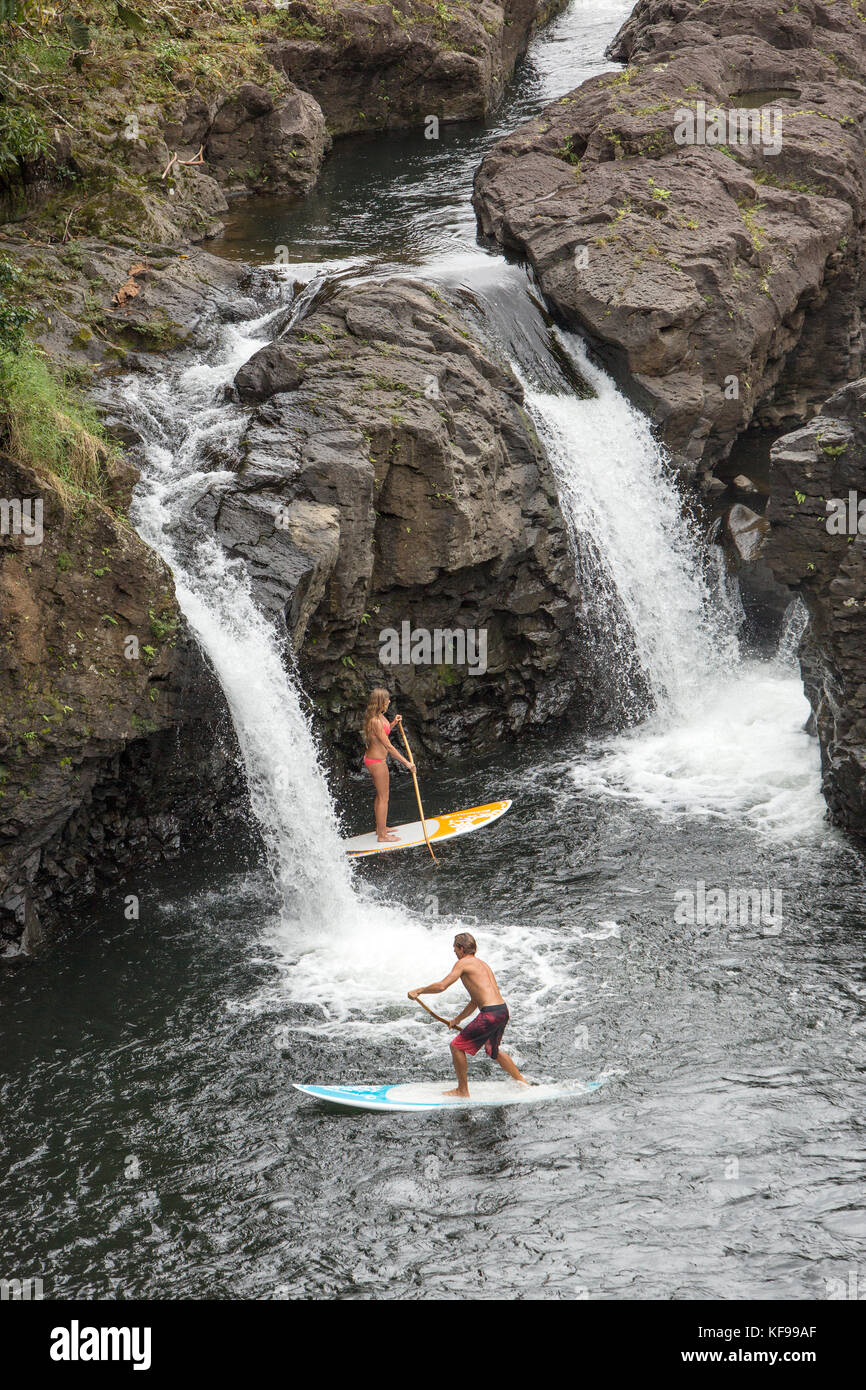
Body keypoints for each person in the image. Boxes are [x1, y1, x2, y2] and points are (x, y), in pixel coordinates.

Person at [408, 933, 529, 1097]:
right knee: (493, 1049)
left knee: (456, 1046)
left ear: (461, 948)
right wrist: (457, 1019)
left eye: (455, 948)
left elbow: (442, 986)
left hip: (490, 1014)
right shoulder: (483, 965)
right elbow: (475, 1001)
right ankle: (523, 1083)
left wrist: (419, 990)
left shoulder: (463, 963)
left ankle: (462, 1090)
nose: (454, 951)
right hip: (501, 1010)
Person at [362, 687, 415, 843]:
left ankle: (381, 828)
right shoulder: (375, 721)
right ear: (380, 701)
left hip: (376, 760)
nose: (389, 701)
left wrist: (393, 723)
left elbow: (383, 734)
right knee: (384, 798)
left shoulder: (379, 716)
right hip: (376, 762)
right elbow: (389, 746)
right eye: (387, 699)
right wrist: (407, 763)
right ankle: (382, 836)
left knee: (381, 796)